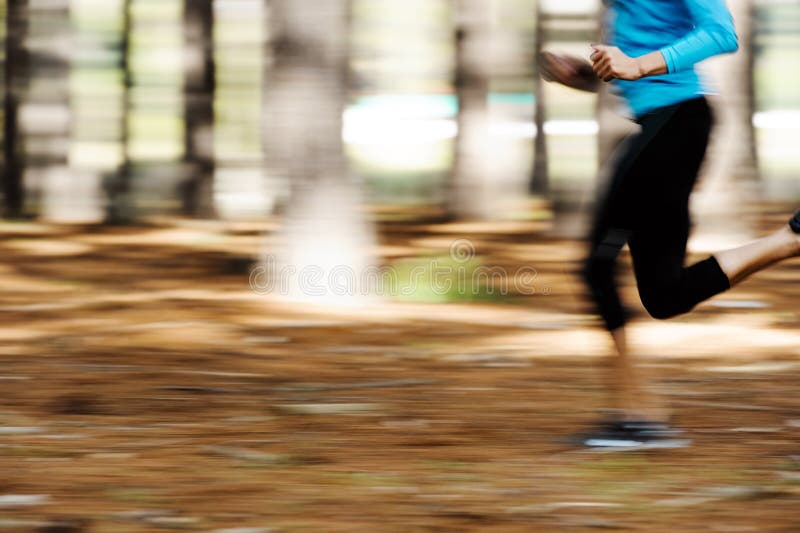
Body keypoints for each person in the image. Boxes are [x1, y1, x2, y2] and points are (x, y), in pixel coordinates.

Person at [541, 0, 800, 448]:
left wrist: (638, 65)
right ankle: (790, 239)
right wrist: (585, 74)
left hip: (677, 122)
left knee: (595, 267)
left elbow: (722, 32)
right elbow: (637, 60)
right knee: (664, 295)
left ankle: (637, 416)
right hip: (666, 123)